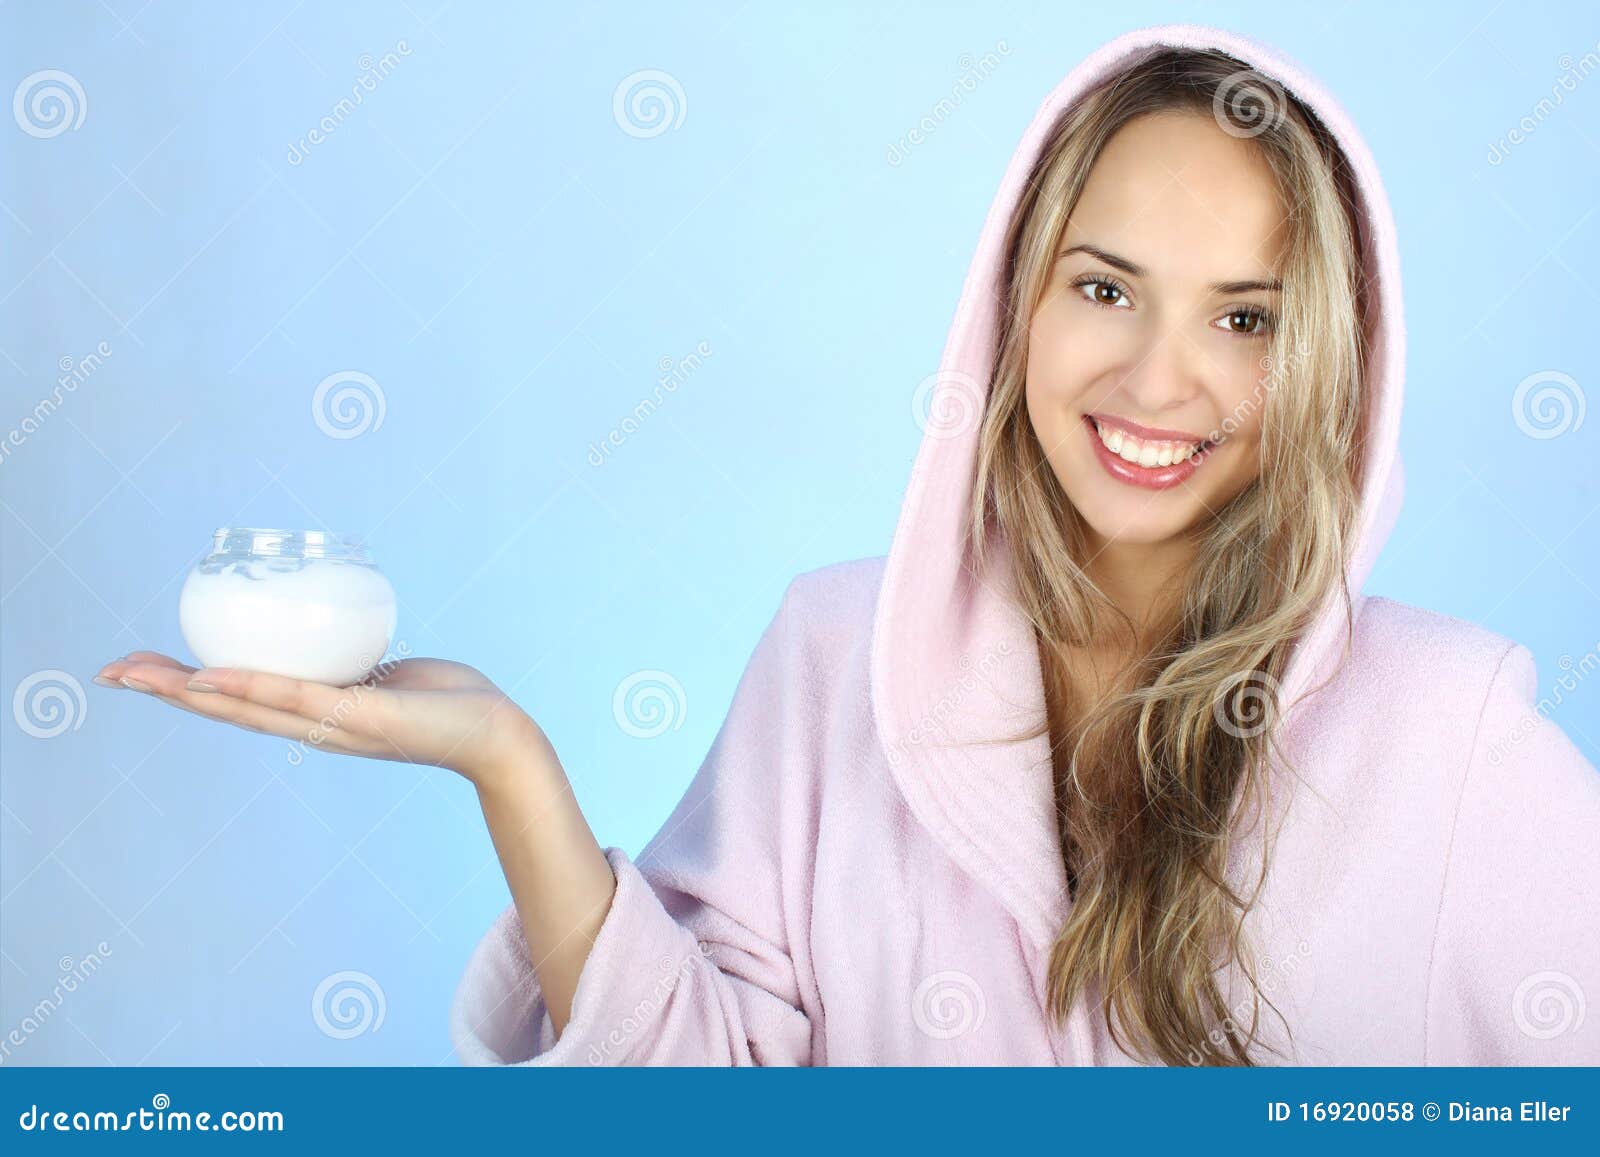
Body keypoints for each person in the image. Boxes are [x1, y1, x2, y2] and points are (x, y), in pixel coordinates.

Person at [96, 23, 1600, 1066]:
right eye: (1103, 287)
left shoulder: (1450, 732)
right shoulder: (832, 658)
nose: (1157, 378)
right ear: (1012, 304)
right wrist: (509, 760)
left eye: (1245, 318)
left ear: (1330, 355)